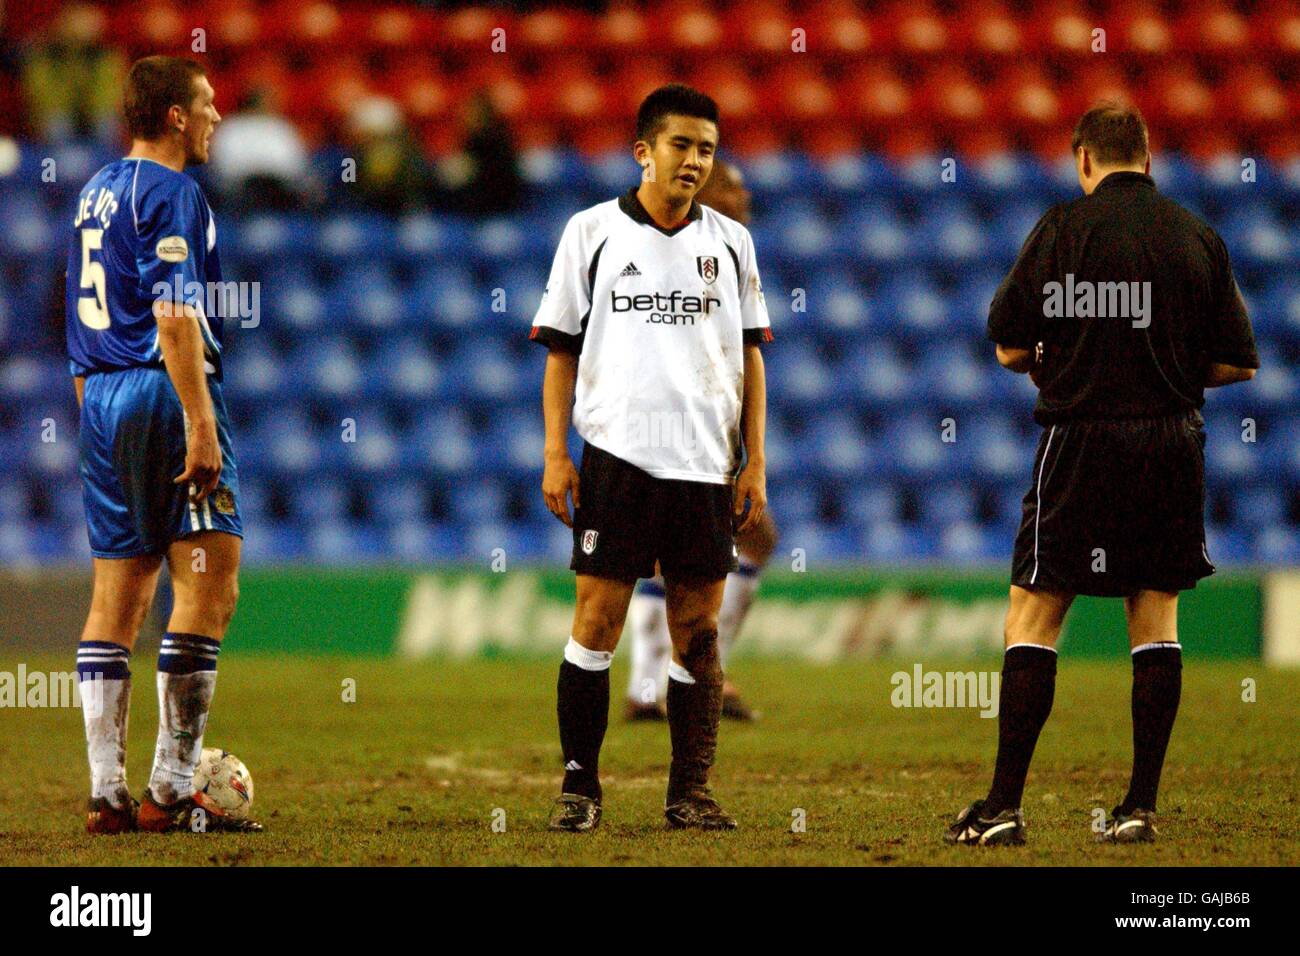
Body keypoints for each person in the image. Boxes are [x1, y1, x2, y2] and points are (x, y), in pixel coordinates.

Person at [947, 104, 1259, 847]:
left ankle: (1003, 807)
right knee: (1154, 622)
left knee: (1035, 615)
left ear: (1082, 158)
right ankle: (1138, 808)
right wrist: (1166, 373)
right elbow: (1239, 362)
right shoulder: (1197, 235)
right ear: (1148, 160)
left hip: (1080, 437)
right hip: (1171, 441)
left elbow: (1008, 346)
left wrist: (1078, 362)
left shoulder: (1061, 230)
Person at [531, 84, 772, 832]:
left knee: (697, 630)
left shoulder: (731, 244)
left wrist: (753, 461)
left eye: (707, 148)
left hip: (704, 465)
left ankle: (688, 792)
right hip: (617, 459)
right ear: (643, 151)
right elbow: (561, 351)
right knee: (597, 618)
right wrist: (555, 453)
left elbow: (750, 357)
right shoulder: (592, 232)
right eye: (681, 146)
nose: (695, 161)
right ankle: (580, 786)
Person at [68, 55, 260, 834]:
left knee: (117, 597)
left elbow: (80, 320)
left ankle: (106, 794)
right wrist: (198, 419)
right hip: (163, 387)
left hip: (101, 396)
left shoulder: (93, 192)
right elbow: (174, 314)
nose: (217, 115)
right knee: (210, 584)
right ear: (177, 116)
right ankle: (173, 787)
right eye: (208, 103)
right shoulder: (174, 192)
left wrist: (96, 412)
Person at [623, 157, 777, 723]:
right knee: (689, 551)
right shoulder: (679, 248)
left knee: (730, 544)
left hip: (705, 424)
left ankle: (659, 682)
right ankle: (665, 682)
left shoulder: (728, 250)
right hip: (668, 422)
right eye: (734, 184)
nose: (745, 191)